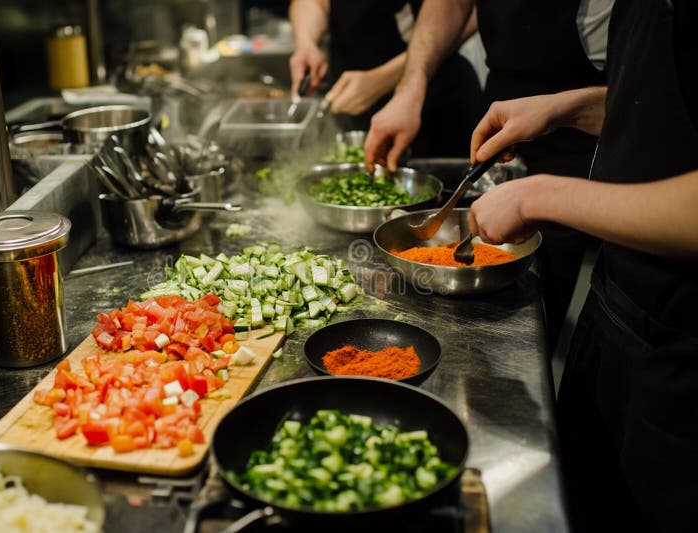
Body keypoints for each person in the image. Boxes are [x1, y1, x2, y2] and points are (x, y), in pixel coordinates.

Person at [466, 1, 698, 530]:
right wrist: (574, 106)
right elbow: (673, 109)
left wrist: (539, 197)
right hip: (620, 304)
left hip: (683, 357)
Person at [364, 0, 613, 354]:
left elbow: (653, 110)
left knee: (527, 325)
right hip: (508, 110)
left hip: (587, 138)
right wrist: (410, 87)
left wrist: (568, 113)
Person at [288, 0, 482, 157]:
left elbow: (464, 10)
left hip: (434, 105)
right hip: (349, 95)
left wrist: (385, 78)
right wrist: (306, 42)